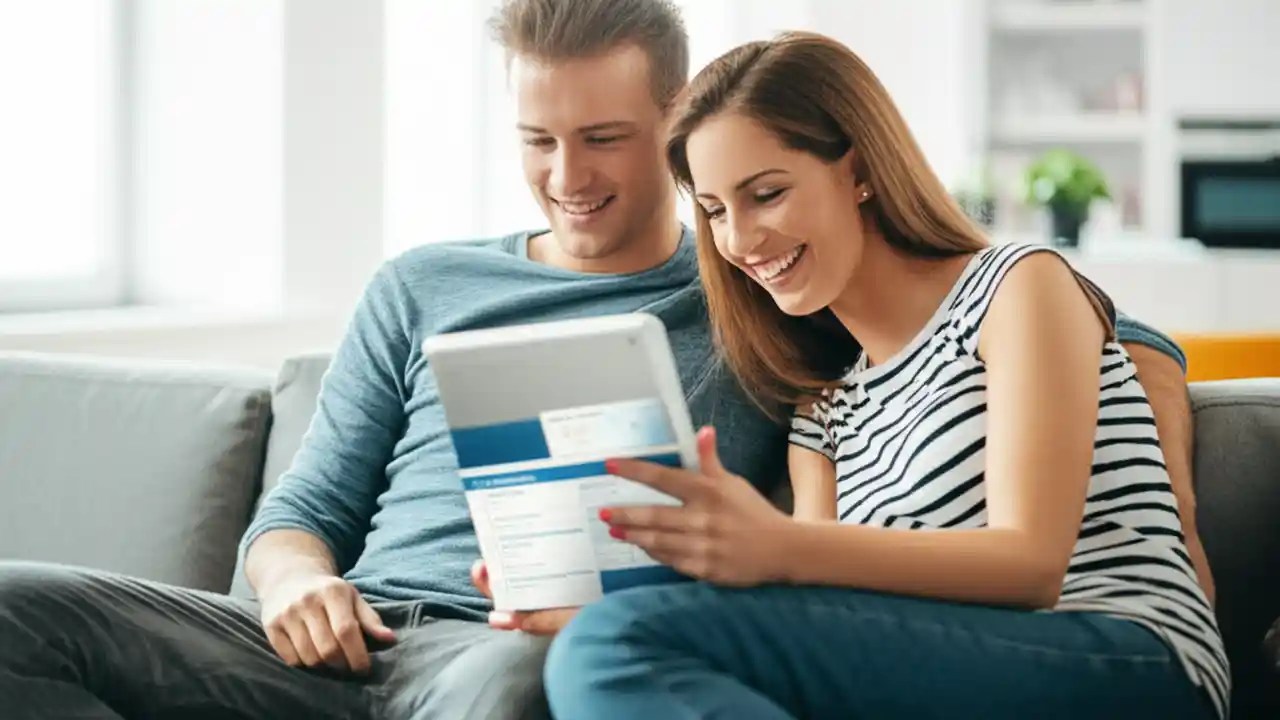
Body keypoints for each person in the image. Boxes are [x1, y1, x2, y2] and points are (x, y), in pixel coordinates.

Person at [0, 2, 1202, 718]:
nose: (567, 175)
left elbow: (1060, 336)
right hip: (326, 640)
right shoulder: (434, 287)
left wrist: (1157, 417)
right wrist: (293, 582)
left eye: (604, 138)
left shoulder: (775, 319)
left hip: (501, 663)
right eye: (535, 139)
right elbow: (299, 509)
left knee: (580, 663)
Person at [540, 31, 1230, 720]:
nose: (740, 241)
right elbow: (819, 617)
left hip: (1122, 656)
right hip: (952, 678)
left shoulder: (1018, 288)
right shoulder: (824, 409)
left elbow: (1032, 565)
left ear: (860, 168)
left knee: (613, 645)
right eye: (717, 211)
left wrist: (777, 547)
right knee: (610, 636)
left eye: (768, 193)